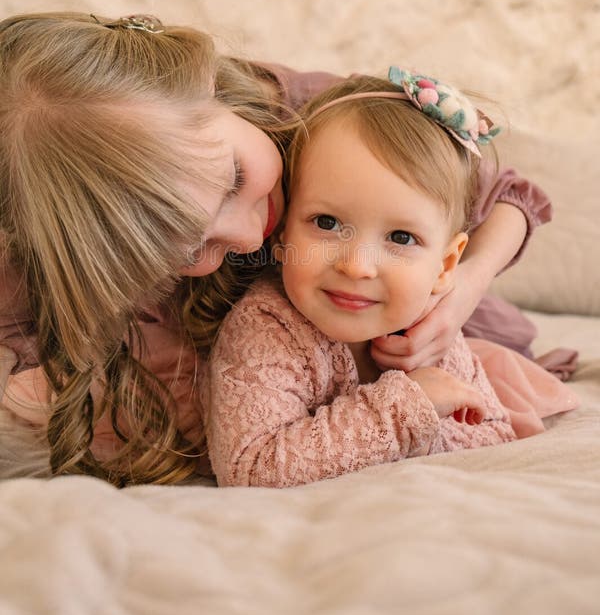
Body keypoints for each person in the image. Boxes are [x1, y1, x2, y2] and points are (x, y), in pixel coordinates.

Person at [0, 12, 554, 486]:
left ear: (215, 89)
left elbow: (502, 194)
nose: (248, 235)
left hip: (430, 323)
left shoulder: (315, 115)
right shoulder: (69, 261)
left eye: (236, 177)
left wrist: (462, 288)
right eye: (191, 245)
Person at [206, 73, 578, 487]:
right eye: (326, 223)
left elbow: (491, 435)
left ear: (446, 264)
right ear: (282, 234)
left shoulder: (429, 326)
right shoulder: (267, 329)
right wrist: (407, 407)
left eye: (401, 237)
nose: (357, 266)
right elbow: (251, 469)